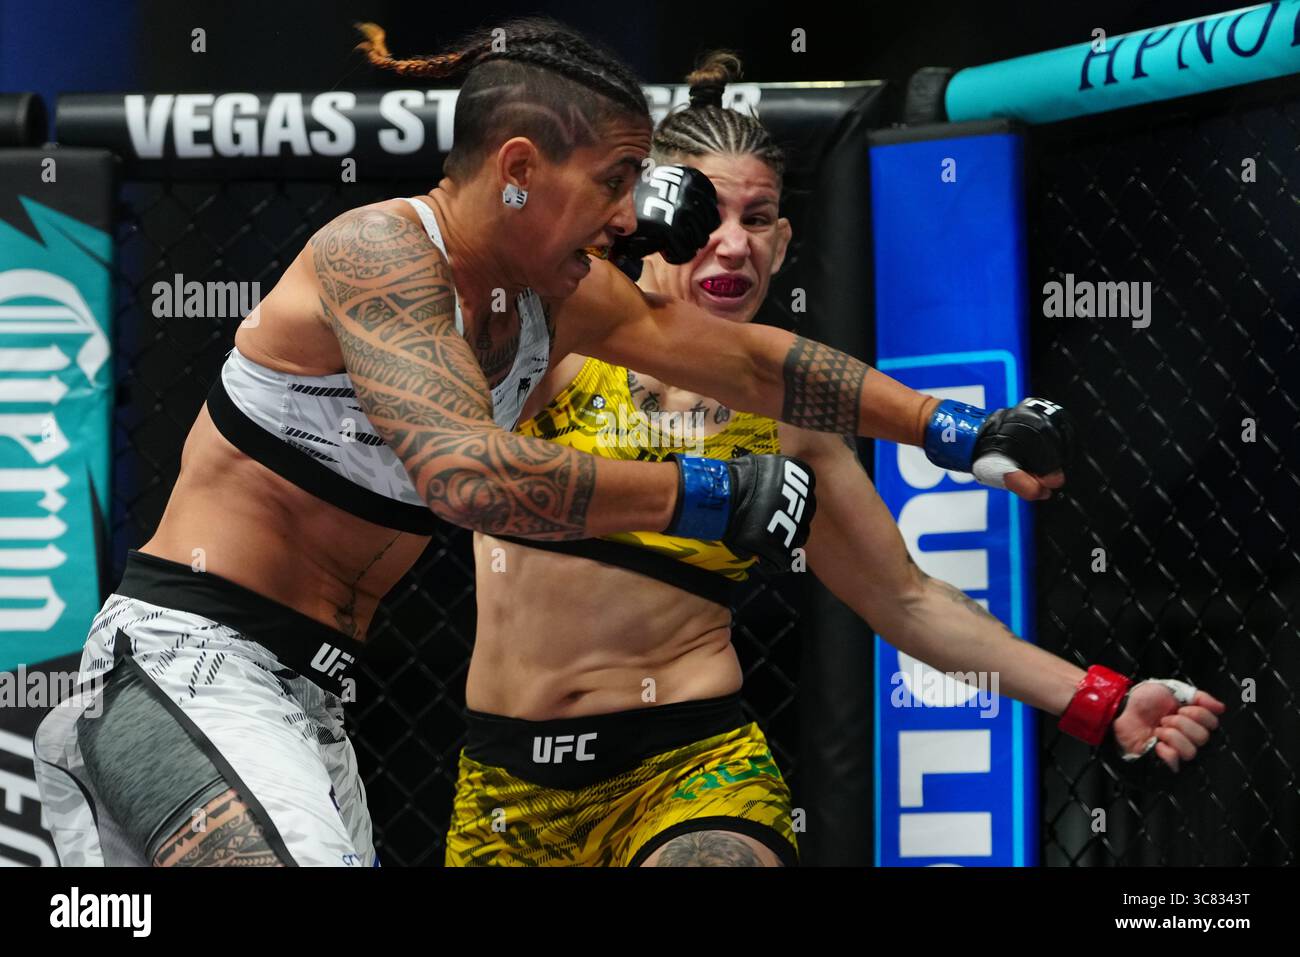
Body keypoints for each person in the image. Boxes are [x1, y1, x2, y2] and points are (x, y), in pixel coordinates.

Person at [30, 20, 1066, 867]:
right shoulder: (380, 257)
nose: (629, 216)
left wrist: (948, 426)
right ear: (518, 170)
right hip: (185, 667)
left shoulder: (553, 301)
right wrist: (708, 494)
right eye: (614, 180)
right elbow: (468, 476)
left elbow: (750, 364)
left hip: (308, 704)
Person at [444, 53, 1226, 867]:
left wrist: (1098, 701)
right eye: (706, 214)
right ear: (647, 215)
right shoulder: (548, 336)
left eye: (757, 220)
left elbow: (907, 600)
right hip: (505, 786)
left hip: (688, 767)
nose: (732, 244)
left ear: (783, 244)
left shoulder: (792, 419)